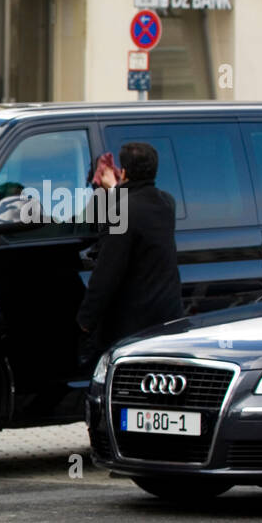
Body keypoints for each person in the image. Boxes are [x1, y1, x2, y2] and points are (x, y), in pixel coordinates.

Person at [76, 141, 182, 361]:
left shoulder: (121, 212)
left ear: (123, 171)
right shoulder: (167, 204)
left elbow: (107, 272)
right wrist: (117, 188)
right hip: (167, 317)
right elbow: (138, 207)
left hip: (133, 326)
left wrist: (85, 320)